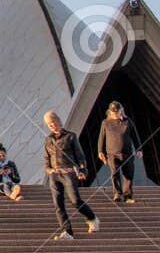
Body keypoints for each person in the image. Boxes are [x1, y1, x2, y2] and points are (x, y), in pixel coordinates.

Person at [43, 110, 98, 241]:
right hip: (55, 175)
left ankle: (91, 218)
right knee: (58, 204)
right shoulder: (48, 140)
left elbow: (80, 156)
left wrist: (83, 171)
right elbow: (46, 159)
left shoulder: (71, 136)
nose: (52, 126)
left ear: (58, 121)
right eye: (49, 124)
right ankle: (67, 231)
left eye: (53, 122)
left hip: (69, 173)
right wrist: (49, 170)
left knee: (75, 200)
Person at [97, 101, 142, 204]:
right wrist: (100, 151)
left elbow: (135, 136)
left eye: (117, 112)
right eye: (114, 112)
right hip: (112, 154)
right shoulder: (105, 122)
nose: (116, 114)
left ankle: (128, 196)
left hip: (127, 153)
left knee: (128, 174)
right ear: (110, 112)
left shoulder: (127, 121)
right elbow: (101, 138)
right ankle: (117, 194)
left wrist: (139, 149)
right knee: (115, 172)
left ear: (121, 110)